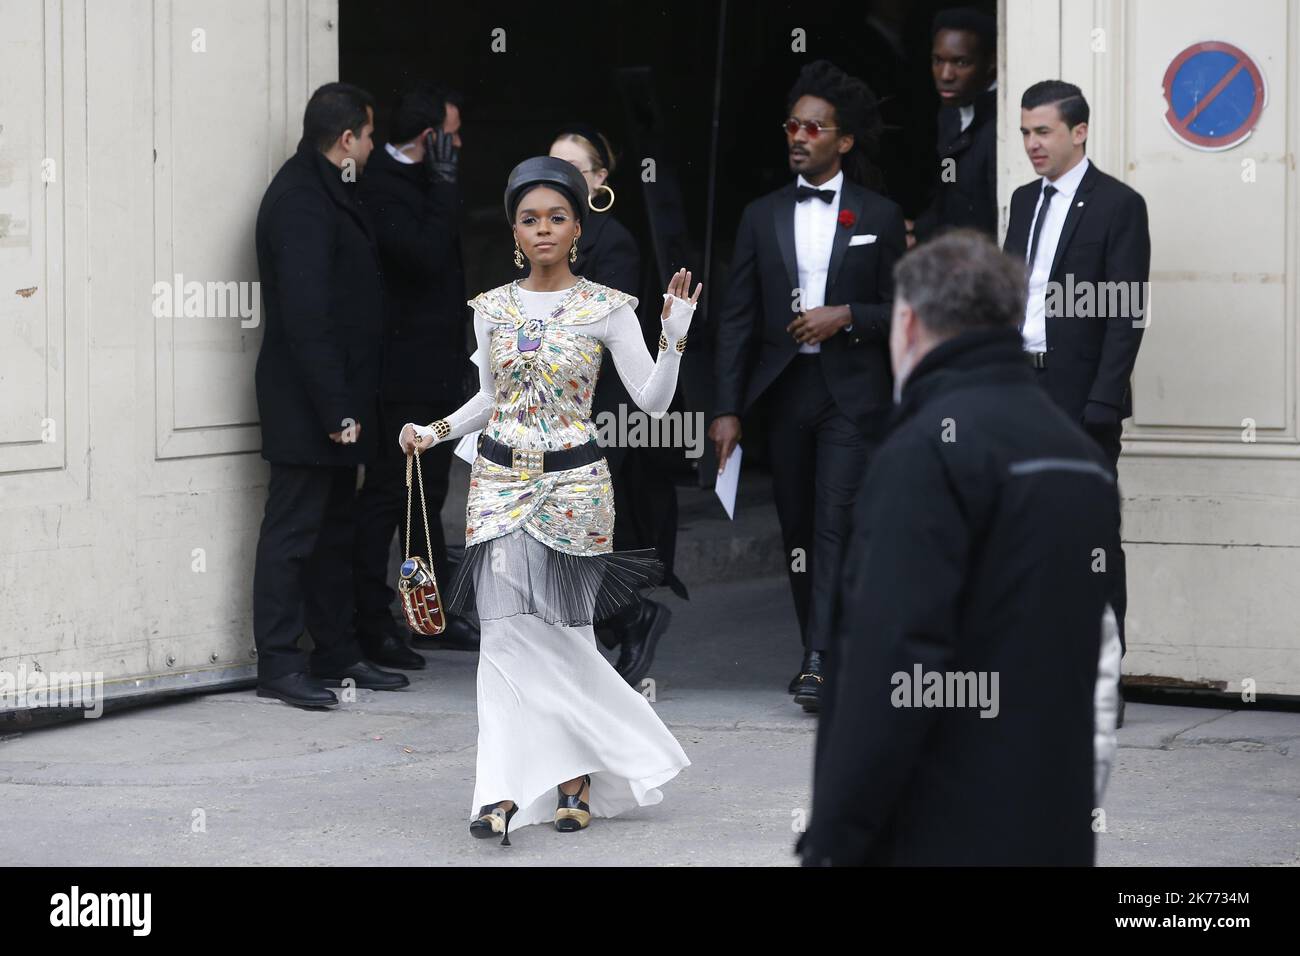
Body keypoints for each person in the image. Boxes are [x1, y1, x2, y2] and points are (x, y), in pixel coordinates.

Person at [398, 157, 697, 845]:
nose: (542, 229)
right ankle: (499, 789)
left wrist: (673, 335)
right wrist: (432, 431)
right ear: (514, 229)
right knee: (502, 639)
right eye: (529, 219)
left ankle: (577, 775)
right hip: (498, 487)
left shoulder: (608, 309)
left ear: (576, 228)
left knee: (567, 635)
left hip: (575, 487)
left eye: (556, 218)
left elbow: (652, 402)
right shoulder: (491, 308)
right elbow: (489, 400)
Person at [798, 230, 1121, 866]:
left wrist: (834, 839)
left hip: (936, 833)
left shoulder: (922, 453)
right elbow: (1101, 673)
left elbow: (889, 666)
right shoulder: (1080, 457)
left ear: (908, 322)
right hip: (1051, 829)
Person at [709, 59, 906, 713]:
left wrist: (845, 315)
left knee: (836, 525)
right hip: (786, 391)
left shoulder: (879, 212)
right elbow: (736, 318)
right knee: (798, 528)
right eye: (792, 125)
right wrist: (727, 409)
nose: (798, 136)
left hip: (852, 391)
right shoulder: (761, 216)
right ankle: (819, 648)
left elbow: (902, 308)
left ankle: (821, 659)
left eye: (813, 127)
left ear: (842, 140)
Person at [251, 82, 409, 708]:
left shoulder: (328, 189)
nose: (371, 148)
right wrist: (336, 409)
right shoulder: (299, 200)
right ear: (347, 138)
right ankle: (280, 664)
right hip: (310, 408)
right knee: (292, 536)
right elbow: (306, 315)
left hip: (338, 405)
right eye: (369, 136)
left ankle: (339, 654)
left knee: (335, 532)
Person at [1004, 80, 1150, 653]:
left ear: (1078, 131)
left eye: (1043, 132)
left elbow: (1125, 312)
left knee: (1089, 538)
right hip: (1021, 389)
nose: (1032, 144)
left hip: (1080, 395)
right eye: (1025, 133)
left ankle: (1102, 676)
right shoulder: (1023, 200)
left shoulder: (1118, 205)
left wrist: (1103, 403)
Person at [548, 123, 684, 687]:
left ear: (599, 180)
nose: (557, 179)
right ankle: (624, 621)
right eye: (549, 165)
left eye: (573, 170)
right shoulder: (537, 232)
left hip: (597, 410)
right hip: (548, 406)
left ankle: (629, 618)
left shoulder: (613, 240)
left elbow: (607, 332)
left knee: (580, 532)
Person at [353, 82, 479, 670]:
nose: (457, 144)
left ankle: (427, 611)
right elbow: (425, 254)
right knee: (387, 494)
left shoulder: (423, 181)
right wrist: (446, 183)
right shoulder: (381, 184)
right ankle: (372, 622)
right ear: (431, 138)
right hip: (398, 374)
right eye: (450, 135)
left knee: (427, 498)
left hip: (437, 367)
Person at [911, 7, 998, 245]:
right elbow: (948, 197)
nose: (946, 74)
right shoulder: (950, 112)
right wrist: (918, 230)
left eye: (961, 62)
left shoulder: (1004, 126)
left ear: (991, 62)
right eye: (938, 60)